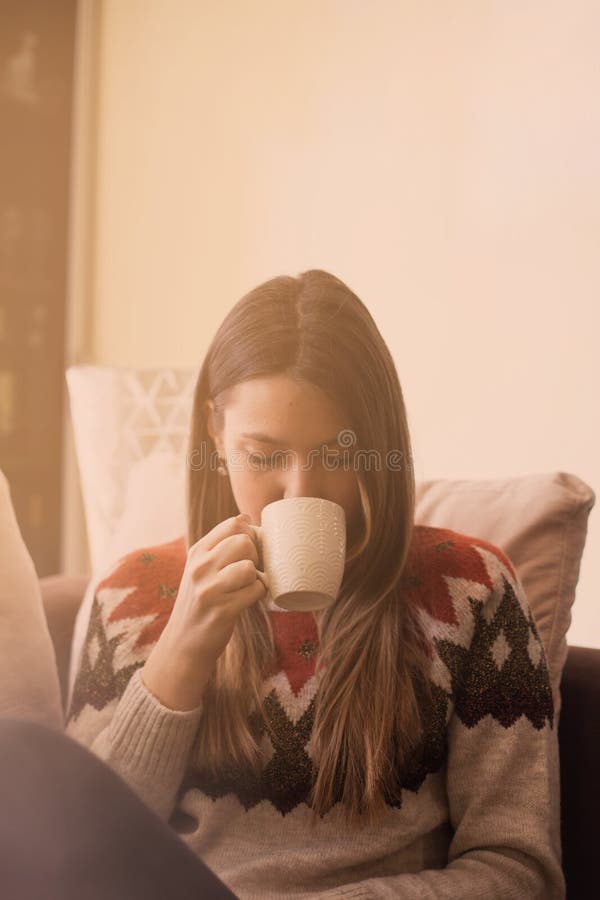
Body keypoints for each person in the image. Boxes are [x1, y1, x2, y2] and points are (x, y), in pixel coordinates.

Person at [49, 270, 565, 896]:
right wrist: (179, 655)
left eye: (337, 456)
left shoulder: (472, 591)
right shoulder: (133, 596)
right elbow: (82, 854)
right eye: (264, 456)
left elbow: (519, 870)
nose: (300, 492)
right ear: (215, 432)